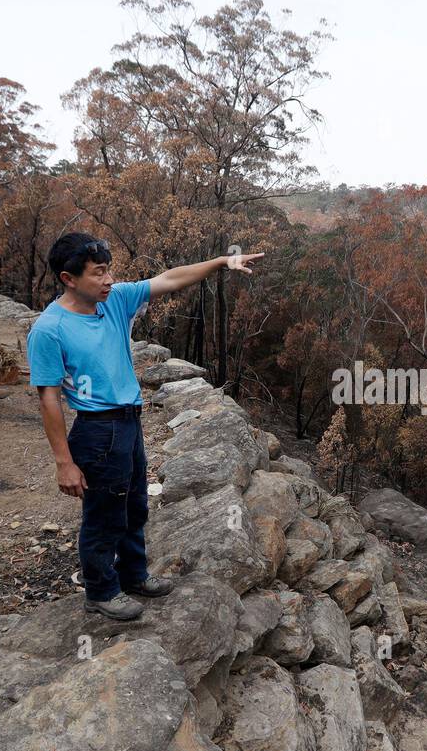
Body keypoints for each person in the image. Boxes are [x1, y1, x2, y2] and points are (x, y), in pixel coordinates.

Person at [26, 234, 263, 620]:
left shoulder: (114, 301)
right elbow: (48, 398)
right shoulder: (49, 329)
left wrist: (221, 262)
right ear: (69, 279)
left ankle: (134, 575)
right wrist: (63, 462)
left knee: (135, 506)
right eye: (98, 273)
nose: (108, 280)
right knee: (104, 514)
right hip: (97, 430)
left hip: (129, 423)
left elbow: (169, 279)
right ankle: (101, 591)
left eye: (109, 271)